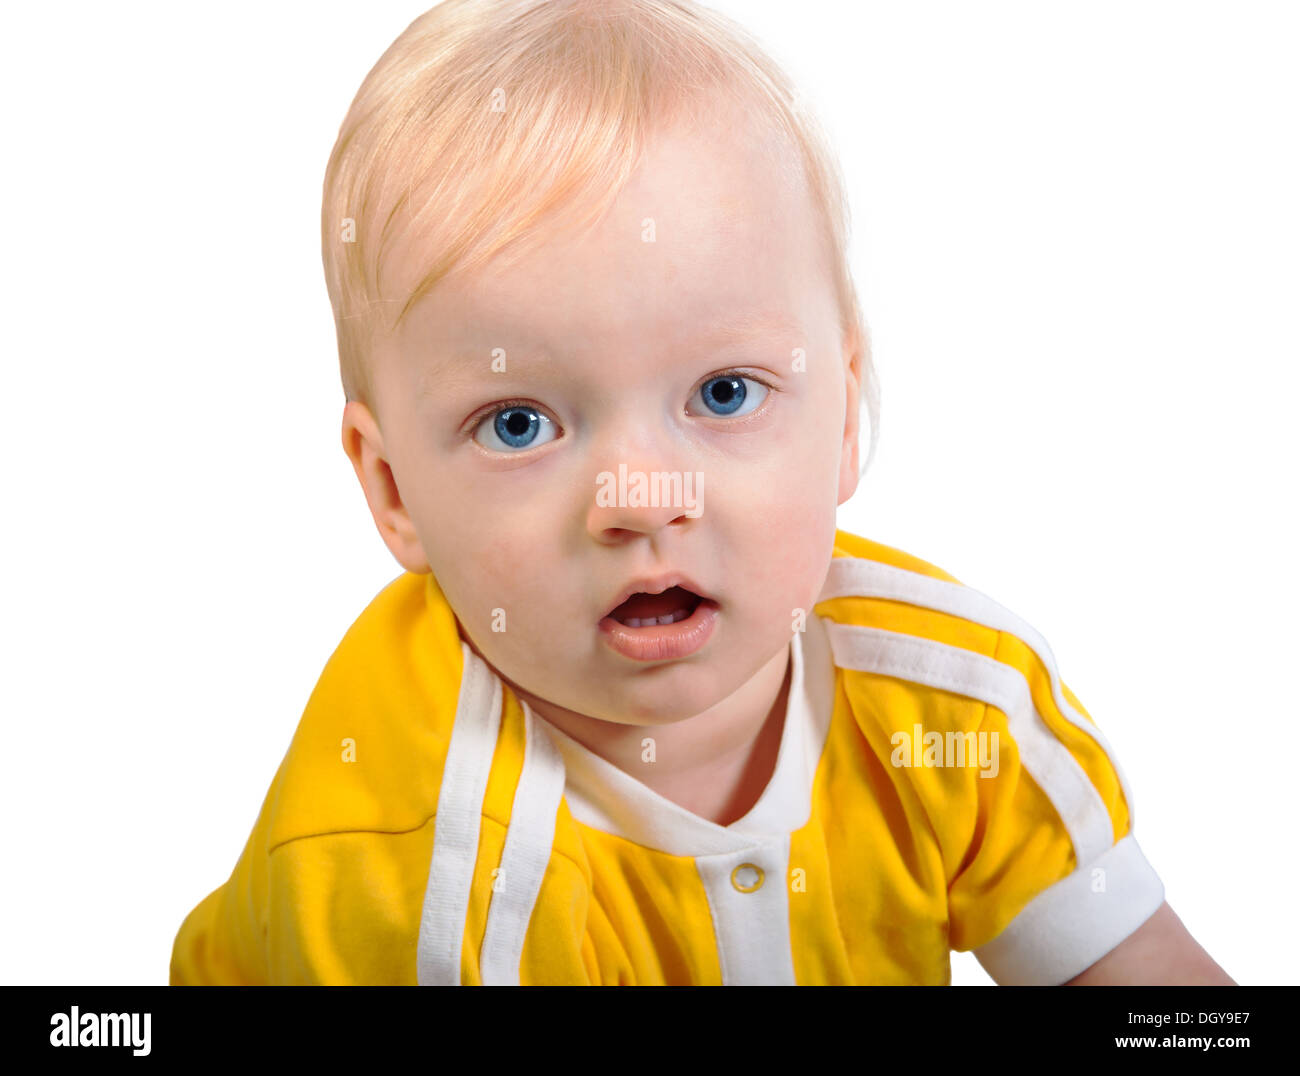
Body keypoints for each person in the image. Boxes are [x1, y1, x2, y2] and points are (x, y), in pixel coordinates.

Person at [170, 0, 1233, 985]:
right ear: (394, 491)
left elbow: (1155, 989)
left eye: (724, 393)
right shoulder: (411, 875)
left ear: (846, 415)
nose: (642, 496)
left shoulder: (952, 703)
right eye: (518, 422)